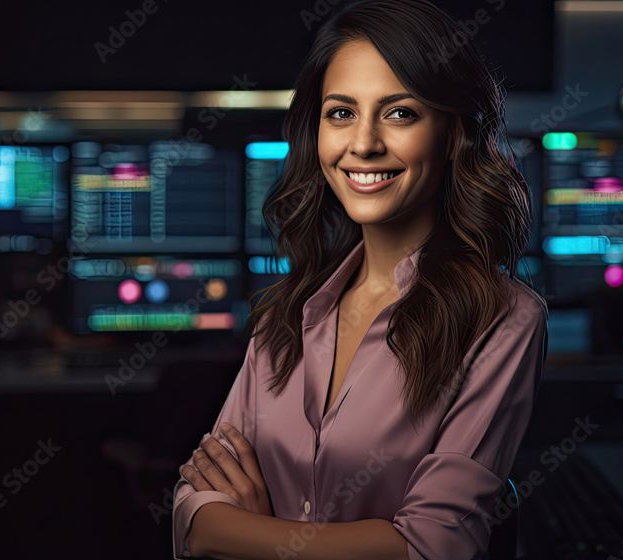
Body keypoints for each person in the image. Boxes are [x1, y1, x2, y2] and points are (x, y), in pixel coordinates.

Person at [172, 1, 549, 558]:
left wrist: (251, 535)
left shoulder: (504, 319)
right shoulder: (286, 313)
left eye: (400, 114)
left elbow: (432, 546)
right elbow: (192, 512)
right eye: (341, 113)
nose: (364, 143)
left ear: (452, 134)